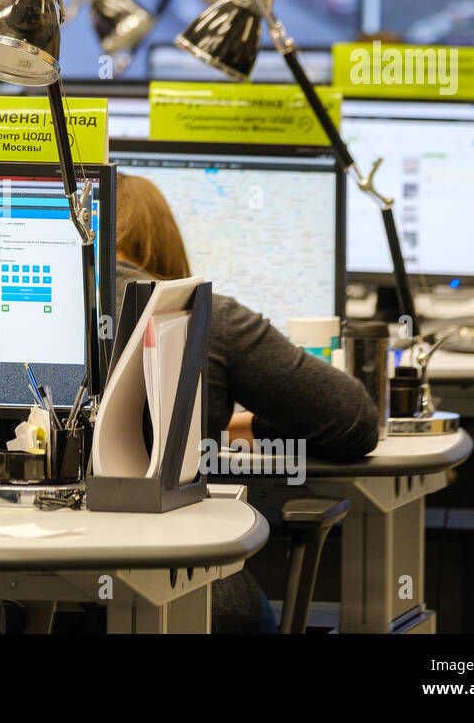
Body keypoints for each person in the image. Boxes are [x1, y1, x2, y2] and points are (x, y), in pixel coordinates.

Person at [115, 172, 379, 632]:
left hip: (14, 590)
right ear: (158, 243)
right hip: (183, 590)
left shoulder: (13, 322)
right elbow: (351, 421)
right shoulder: (199, 316)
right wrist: (243, 427)